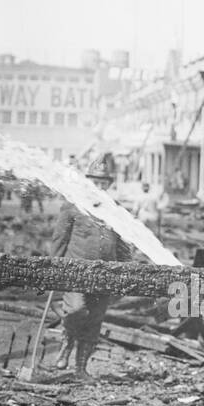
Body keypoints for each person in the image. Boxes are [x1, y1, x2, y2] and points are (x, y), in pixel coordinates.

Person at [49, 160, 130, 379]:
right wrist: (51, 271)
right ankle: (67, 342)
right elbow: (59, 240)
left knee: (95, 320)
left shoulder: (116, 210)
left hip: (105, 275)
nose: (100, 187)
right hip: (76, 271)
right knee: (76, 310)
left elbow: (123, 247)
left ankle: (81, 368)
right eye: (96, 182)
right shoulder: (73, 206)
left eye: (104, 183)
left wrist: (124, 274)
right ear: (88, 183)